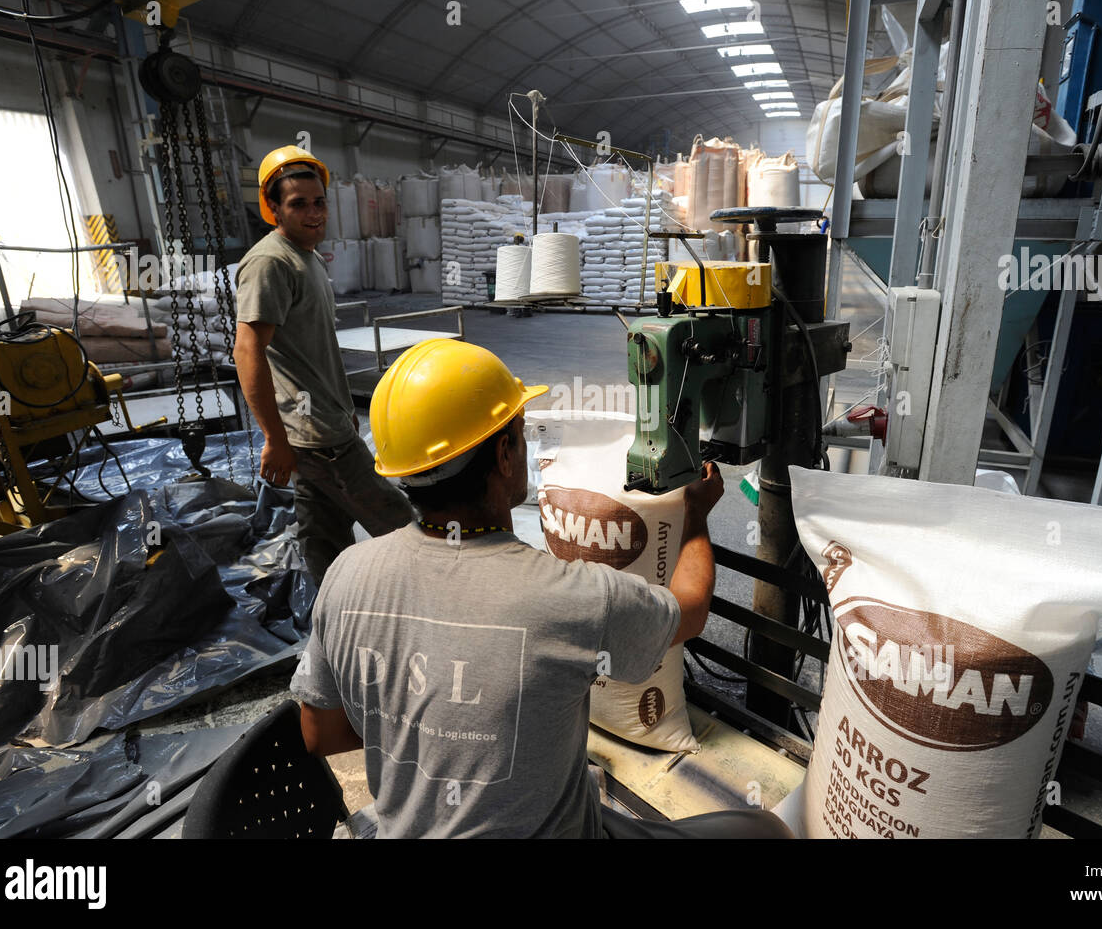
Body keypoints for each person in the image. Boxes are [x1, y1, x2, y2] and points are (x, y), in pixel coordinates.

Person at [290, 338, 793, 839]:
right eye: (519, 431)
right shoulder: (572, 598)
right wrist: (696, 516)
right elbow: (691, 611)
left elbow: (318, 731)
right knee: (764, 828)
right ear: (505, 456)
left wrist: (417, 722)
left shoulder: (346, 573)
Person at [233, 144, 411, 585]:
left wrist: (342, 405)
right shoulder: (270, 263)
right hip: (316, 437)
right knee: (403, 524)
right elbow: (247, 351)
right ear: (272, 208)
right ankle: (439, 596)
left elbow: (311, 348)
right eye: (298, 204)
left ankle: (333, 614)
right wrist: (274, 438)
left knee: (324, 535)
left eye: (319, 203)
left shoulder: (305, 257)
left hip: (324, 424)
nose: (313, 213)